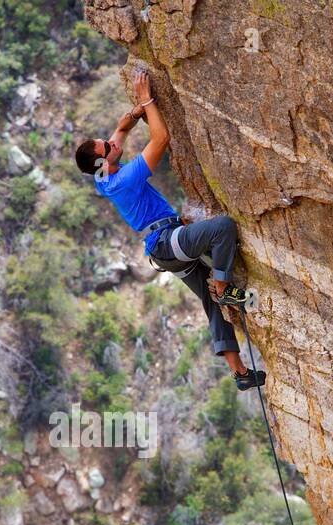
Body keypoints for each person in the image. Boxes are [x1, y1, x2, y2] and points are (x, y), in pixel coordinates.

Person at [72, 71, 266, 391]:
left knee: (211, 306)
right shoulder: (123, 180)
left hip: (164, 251)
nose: (112, 142)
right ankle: (223, 285)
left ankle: (240, 373)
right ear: (102, 162)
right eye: (107, 147)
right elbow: (161, 139)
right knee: (222, 228)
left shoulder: (102, 177)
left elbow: (121, 130)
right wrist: (148, 102)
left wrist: (135, 112)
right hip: (167, 241)